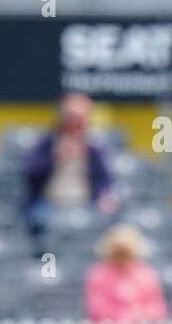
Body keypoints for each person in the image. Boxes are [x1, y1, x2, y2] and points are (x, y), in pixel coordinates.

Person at [23, 93, 119, 242]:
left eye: (80, 118)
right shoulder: (48, 142)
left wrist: (104, 196)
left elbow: (104, 179)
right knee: (36, 222)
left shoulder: (93, 145)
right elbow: (31, 175)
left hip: (86, 205)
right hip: (48, 204)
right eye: (72, 118)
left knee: (109, 222)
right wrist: (55, 158)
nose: (76, 123)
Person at [85, 224, 169, 324]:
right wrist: (125, 317)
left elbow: (158, 309)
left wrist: (138, 316)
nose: (123, 258)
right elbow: (97, 309)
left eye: (127, 253)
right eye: (119, 253)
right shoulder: (98, 275)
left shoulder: (146, 274)